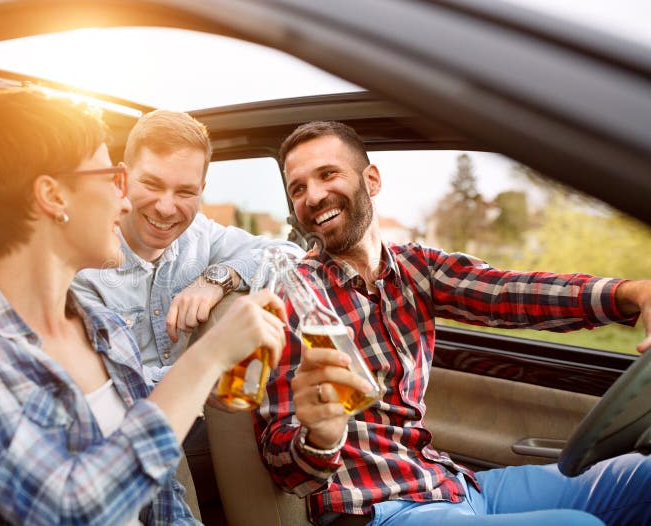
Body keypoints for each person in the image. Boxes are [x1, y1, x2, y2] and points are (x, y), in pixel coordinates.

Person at [0, 89, 287, 525]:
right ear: (53, 195)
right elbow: (69, 510)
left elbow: (163, 500)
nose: (124, 201)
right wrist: (208, 356)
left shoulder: (100, 329)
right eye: (110, 179)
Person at [254, 121, 651, 526]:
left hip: (451, 485)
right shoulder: (292, 297)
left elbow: (509, 293)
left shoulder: (417, 267)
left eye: (327, 174)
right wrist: (319, 436)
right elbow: (282, 461)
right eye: (297, 188)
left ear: (370, 180)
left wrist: (634, 294)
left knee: (645, 476)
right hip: (378, 511)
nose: (314, 196)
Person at [71, 109, 303, 522]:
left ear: (202, 190)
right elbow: (112, 391)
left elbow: (288, 255)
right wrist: (201, 372)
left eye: (185, 191)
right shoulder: (84, 265)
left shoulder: (201, 236)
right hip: (135, 435)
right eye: (152, 184)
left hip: (217, 431)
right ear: (122, 177)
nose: (166, 207)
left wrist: (219, 278)